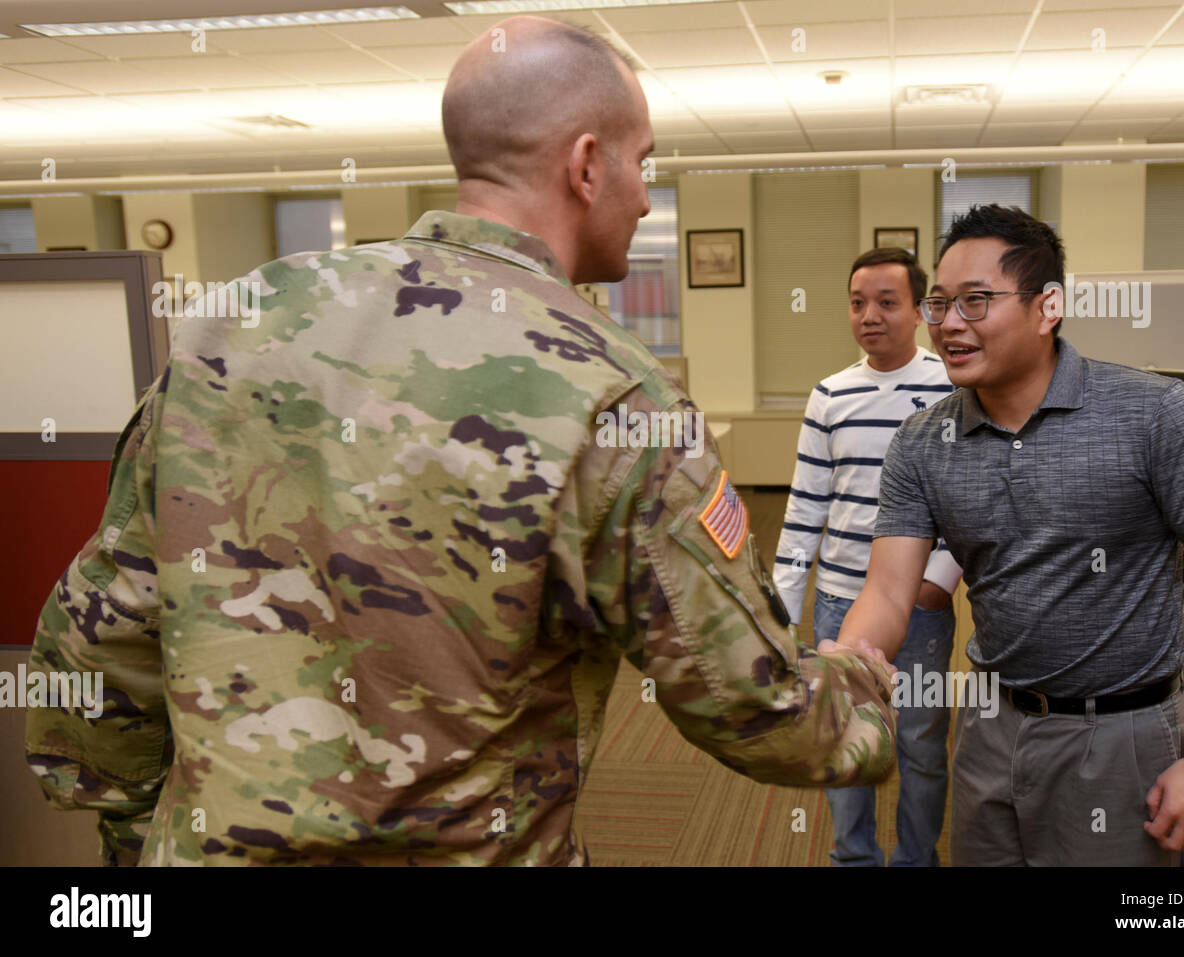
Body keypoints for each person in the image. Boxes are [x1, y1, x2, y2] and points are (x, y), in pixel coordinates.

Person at [25, 16, 897, 867]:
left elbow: (98, 633)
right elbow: (745, 701)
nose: (644, 196)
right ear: (587, 165)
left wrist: (138, 833)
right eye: (644, 163)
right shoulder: (614, 392)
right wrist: (863, 689)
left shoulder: (236, 326)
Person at [834, 204, 1184, 866]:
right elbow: (890, 591)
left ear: (1047, 308)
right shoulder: (923, 443)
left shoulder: (1152, 415)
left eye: (976, 302)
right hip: (989, 726)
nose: (950, 323)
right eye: (941, 304)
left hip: (1121, 738)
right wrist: (847, 663)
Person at [773, 247, 959, 866]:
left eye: (886, 302)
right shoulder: (829, 395)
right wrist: (782, 613)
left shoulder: (949, 386)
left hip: (921, 608)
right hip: (840, 605)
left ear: (918, 311)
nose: (869, 315)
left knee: (923, 747)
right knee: (846, 745)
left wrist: (937, 579)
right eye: (858, 303)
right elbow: (803, 510)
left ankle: (916, 859)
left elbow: (968, 499)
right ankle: (853, 859)